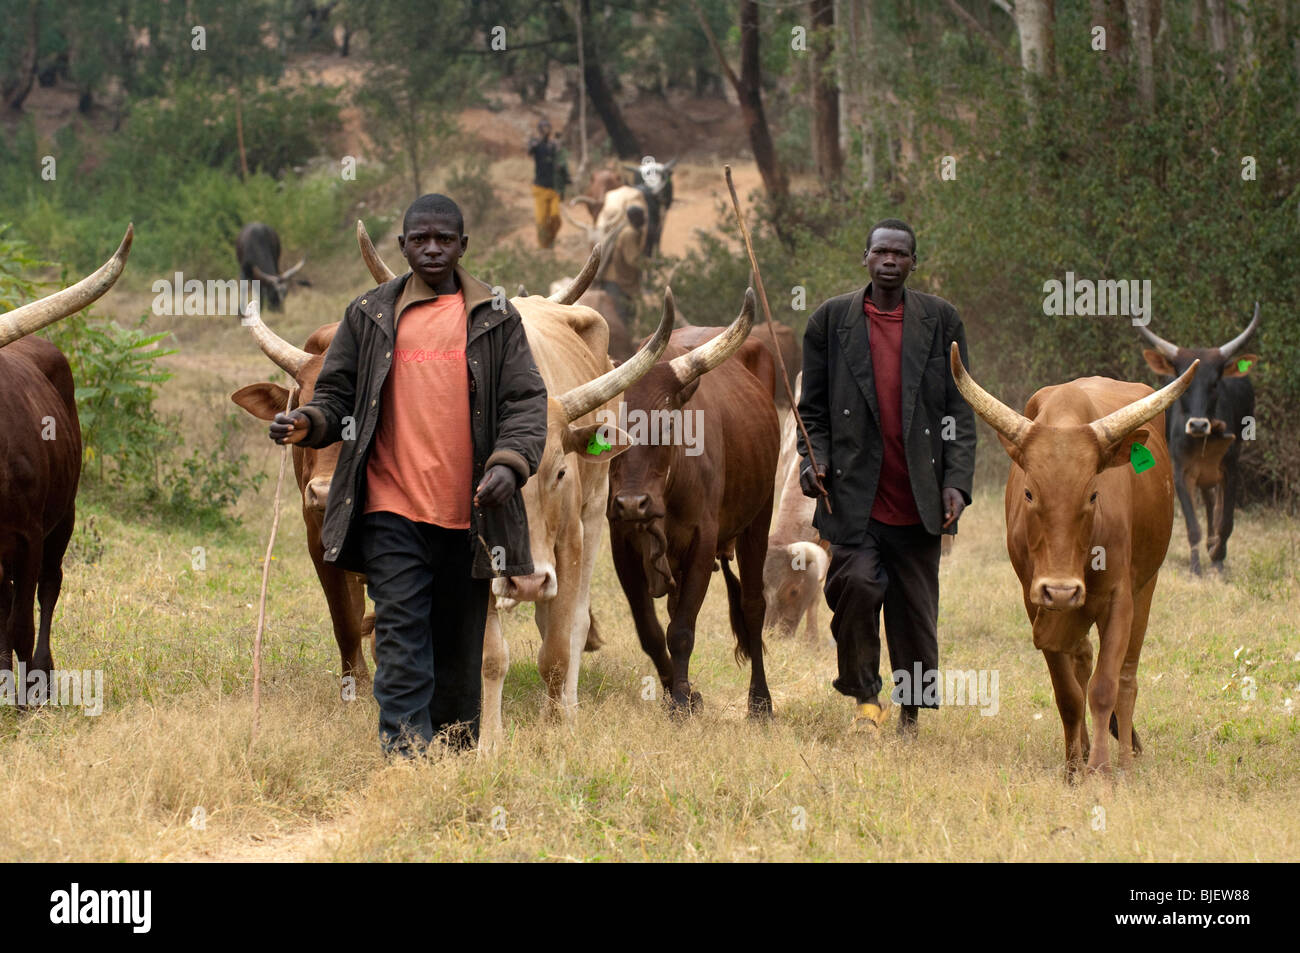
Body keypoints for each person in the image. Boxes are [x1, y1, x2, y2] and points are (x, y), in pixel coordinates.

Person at [268, 194, 547, 757]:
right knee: (399, 638)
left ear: (463, 245)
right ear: (403, 246)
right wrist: (309, 421)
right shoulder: (369, 314)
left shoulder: (496, 317)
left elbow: (526, 403)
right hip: (388, 510)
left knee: (458, 646)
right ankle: (407, 758)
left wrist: (509, 464)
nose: (432, 247)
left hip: (470, 513)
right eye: (420, 238)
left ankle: (454, 752)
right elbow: (337, 396)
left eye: (444, 238)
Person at [797, 218, 975, 737]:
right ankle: (865, 699)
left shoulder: (941, 321)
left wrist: (956, 483)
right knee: (854, 584)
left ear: (914, 263)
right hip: (853, 495)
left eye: (901, 253)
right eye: (882, 252)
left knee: (914, 612)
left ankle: (911, 715)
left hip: (920, 495)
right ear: (866, 258)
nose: (890, 261)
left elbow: (961, 411)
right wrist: (814, 463)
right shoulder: (830, 323)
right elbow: (813, 413)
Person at [596, 204, 646, 329]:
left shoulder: (628, 229)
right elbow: (632, 259)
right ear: (635, 218)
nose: (644, 219)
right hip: (617, 280)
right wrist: (652, 265)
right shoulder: (630, 233)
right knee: (621, 317)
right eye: (641, 216)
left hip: (619, 279)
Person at [527, 119, 568, 249]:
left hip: (554, 189)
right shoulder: (535, 143)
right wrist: (538, 141)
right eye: (543, 128)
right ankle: (543, 246)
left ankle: (550, 240)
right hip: (540, 188)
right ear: (539, 130)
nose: (546, 130)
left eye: (548, 127)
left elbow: (562, 161)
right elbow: (530, 151)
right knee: (541, 221)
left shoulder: (555, 146)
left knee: (556, 217)